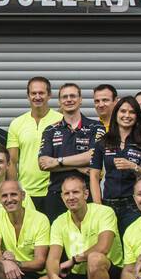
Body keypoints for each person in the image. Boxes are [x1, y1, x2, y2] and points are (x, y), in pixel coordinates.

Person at [37, 173, 123, 279]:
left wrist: (74, 260)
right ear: (62, 197)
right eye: (67, 193)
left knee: (95, 258)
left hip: (110, 276)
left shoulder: (104, 212)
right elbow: (53, 258)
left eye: (75, 192)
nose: (71, 197)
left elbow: (103, 247)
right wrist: (54, 276)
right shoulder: (59, 221)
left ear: (86, 194)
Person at [38, 81, 104, 220]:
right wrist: (77, 166)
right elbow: (43, 164)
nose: (69, 100)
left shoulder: (96, 126)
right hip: (57, 195)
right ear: (60, 101)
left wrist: (57, 161)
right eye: (65, 97)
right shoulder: (50, 130)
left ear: (80, 100)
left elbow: (93, 156)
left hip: (87, 193)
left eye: (73, 96)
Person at [98, 96, 141, 233]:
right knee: (111, 247)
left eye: (132, 112)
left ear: (137, 116)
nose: (127, 115)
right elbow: (94, 176)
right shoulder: (103, 141)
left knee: (133, 243)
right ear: (116, 113)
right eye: (123, 111)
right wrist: (98, 206)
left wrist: (133, 166)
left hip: (133, 204)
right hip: (108, 203)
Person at [7, 76, 62, 212]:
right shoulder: (17, 123)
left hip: (55, 190)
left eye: (41, 93)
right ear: (28, 96)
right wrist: (16, 190)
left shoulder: (61, 120)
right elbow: (12, 162)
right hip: (27, 192)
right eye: (33, 93)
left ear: (49, 95)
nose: (37, 97)